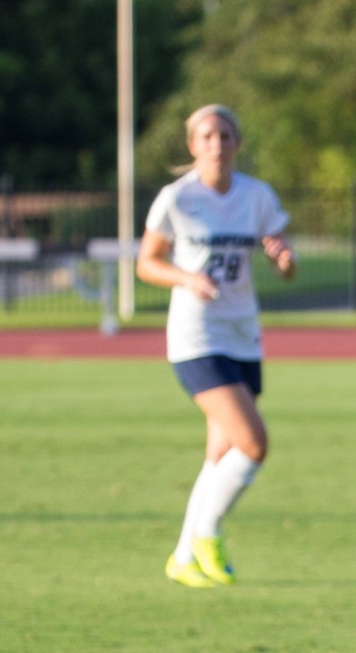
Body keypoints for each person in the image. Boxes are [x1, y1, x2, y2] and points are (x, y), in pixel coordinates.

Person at [137, 104, 296, 587]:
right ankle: (207, 535)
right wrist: (186, 277)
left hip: (242, 335)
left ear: (237, 143)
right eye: (207, 136)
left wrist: (284, 258)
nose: (217, 144)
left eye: (225, 135)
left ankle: (183, 557)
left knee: (221, 452)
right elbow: (147, 263)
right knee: (253, 443)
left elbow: (284, 256)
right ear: (192, 145)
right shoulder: (177, 198)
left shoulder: (256, 195)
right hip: (195, 336)